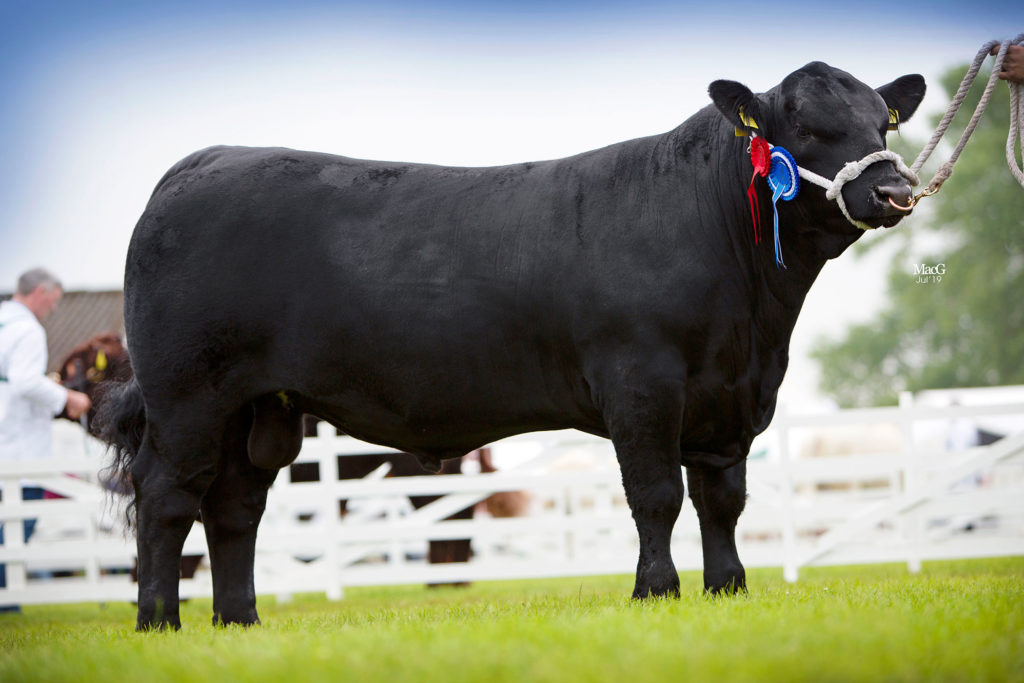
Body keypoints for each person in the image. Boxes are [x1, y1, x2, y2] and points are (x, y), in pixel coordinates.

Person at [0, 268, 91, 611]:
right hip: (18, 445)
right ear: (40, 292)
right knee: (20, 519)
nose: (53, 308)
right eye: (53, 301)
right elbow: (25, 382)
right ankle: (7, 601)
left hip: (6, 435)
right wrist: (67, 398)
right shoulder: (27, 330)